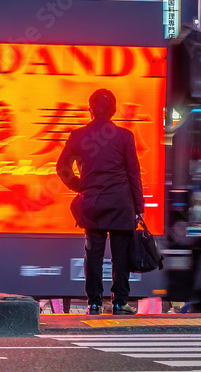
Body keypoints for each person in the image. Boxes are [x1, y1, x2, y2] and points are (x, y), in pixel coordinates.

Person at [57, 89, 144, 315]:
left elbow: (62, 167)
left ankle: (94, 303)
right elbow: (134, 173)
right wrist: (139, 206)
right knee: (121, 257)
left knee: (93, 255)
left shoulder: (78, 136)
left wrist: (80, 186)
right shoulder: (125, 136)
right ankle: (120, 303)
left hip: (92, 204)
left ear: (90, 109)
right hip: (121, 204)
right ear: (114, 110)